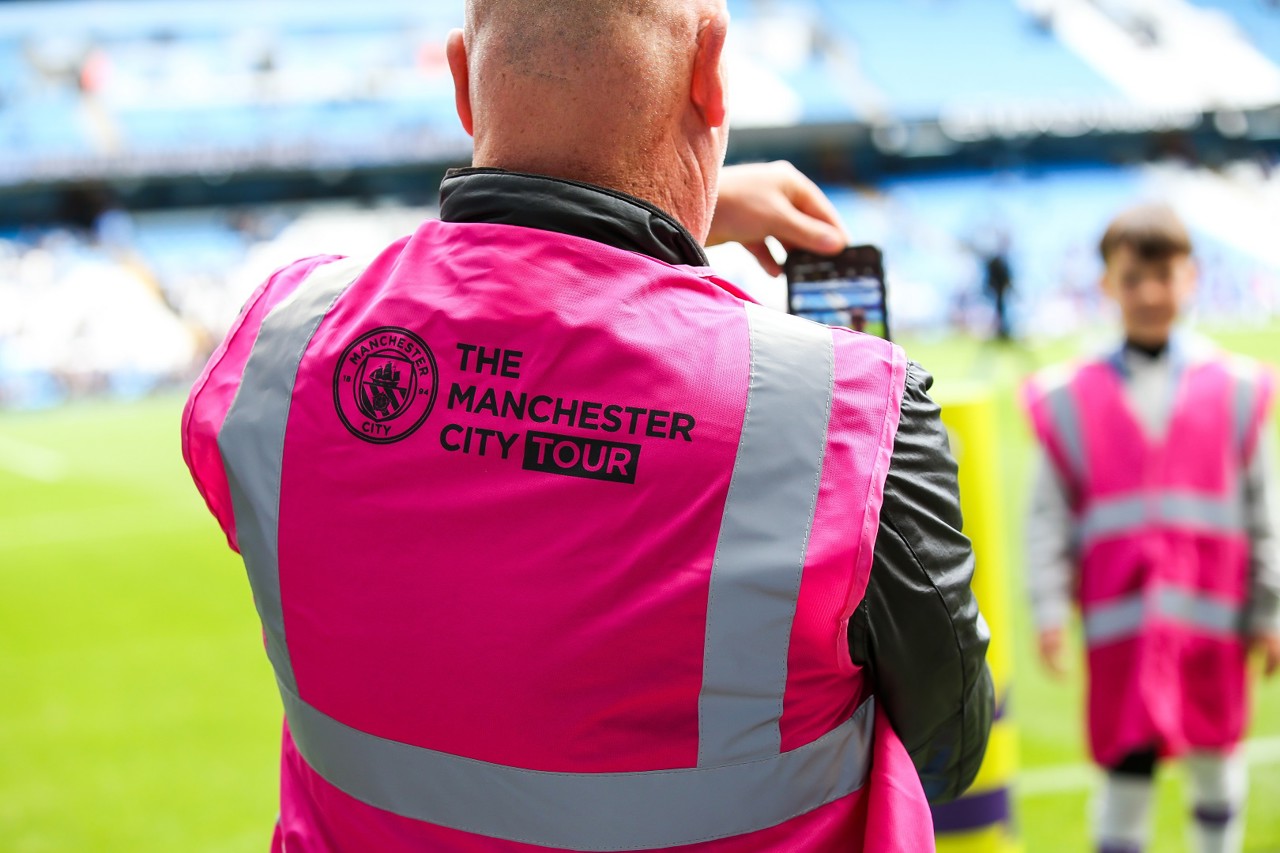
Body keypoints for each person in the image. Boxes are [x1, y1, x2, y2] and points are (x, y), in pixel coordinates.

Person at [183, 1, 992, 849]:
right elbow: (947, 746)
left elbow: (479, 301)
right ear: (712, 74)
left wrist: (639, 215)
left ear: (462, 84)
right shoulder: (847, 411)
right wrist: (664, 212)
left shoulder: (283, 341)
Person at [1023, 203, 1280, 853]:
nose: (1149, 294)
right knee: (1126, 772)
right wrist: (1049, 606)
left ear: (1191, 278)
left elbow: (1263, 510)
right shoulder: (1069, 396)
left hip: (1213, 625)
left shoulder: (1236, 387)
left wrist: (1271, 609)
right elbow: (1047, 517)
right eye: (1133, 279)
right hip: (1124, 627)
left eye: (1164, 276)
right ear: (1107, 284)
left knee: (1216, 764)